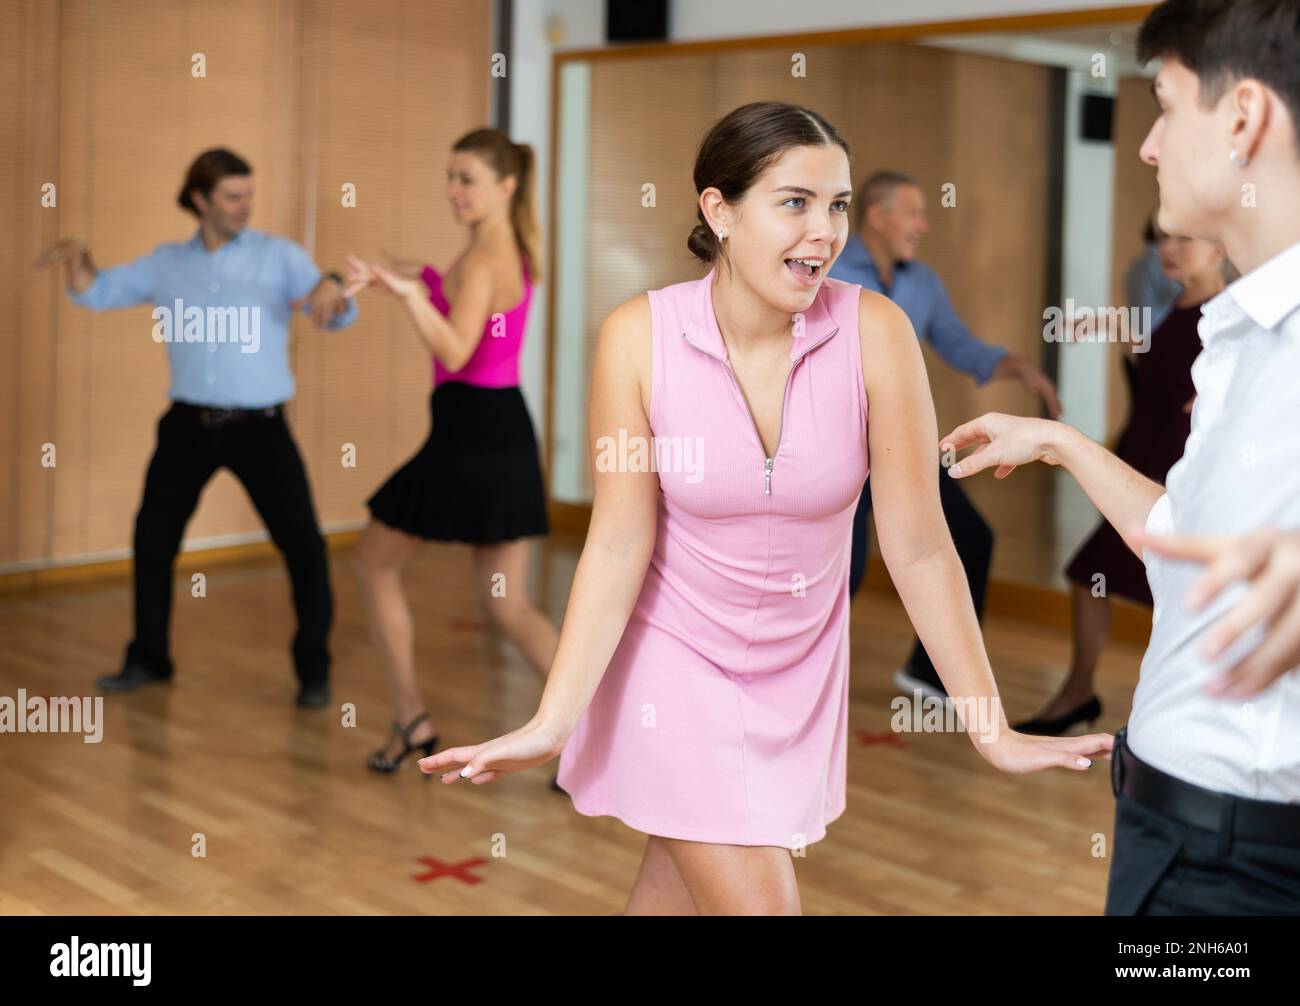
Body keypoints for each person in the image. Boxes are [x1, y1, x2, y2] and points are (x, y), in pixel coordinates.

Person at [417, 101, 1110, 916]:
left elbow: (920, 546)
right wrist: (551, 719)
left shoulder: (876, 334)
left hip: (797, 673)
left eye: (838, 204)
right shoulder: (638, 338)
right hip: (670, 664)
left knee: (671, 899)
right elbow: (615, 544)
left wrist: (988, 726)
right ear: (719, 210)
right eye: (795, 202)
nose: (824, 231)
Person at [940, 0, 1300, 914]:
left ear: (1245, 118)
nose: (1146, 146)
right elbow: (1178, 539)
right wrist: (1058, 443)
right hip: (1169, 828)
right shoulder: (1235, 333)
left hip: (1245, 857)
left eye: (1166, 105)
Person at [35, 148, 357, 708]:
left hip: (261, 427)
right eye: (233, 196)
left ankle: (313, 670)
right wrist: (80, 256)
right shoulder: (166, 264)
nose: (244, 206)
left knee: (304, 545)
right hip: (186, 425)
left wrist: (332, 283)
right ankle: (149, 658)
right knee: (152, 540)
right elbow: (99, 292)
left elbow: (329, 305)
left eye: (248, 194)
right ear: (200, 200)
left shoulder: (278, 257)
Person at [342, 130, 558, 773]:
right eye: (450, 177)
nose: (453, 191)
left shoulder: (489, 259)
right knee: (504, 603)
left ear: (505, 186)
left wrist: (411, 296)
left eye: (466, 179)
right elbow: (461, 306)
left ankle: (412, 717)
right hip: (491, 427)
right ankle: (588, 733)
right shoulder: (498, 249)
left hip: (473, 430)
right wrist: (410, 279)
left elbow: (457, 350)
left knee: (374, 562)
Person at [827, 171, 1061, 699]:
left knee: (973, 539)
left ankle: (929, 673)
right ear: (877, 216)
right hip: (835, 448)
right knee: (847, 569)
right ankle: (797, 684)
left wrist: (1016, 367)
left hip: (899, 448)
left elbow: (956, 343)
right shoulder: (831, 271)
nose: (923, 224)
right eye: (912, 213)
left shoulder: (922, 283)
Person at [1016, 233, 1227, 735]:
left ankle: (1158, 715)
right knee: (1093, 574)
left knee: (1174, 594)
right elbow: (1151, 366)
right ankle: (1080, 692)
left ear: (1219, 247)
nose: (1168, 250)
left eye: (1184, 240)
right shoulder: (1168, 310)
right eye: (1163, 241)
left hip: (1178, 481)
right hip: (1138, 465)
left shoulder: (1228, 319)